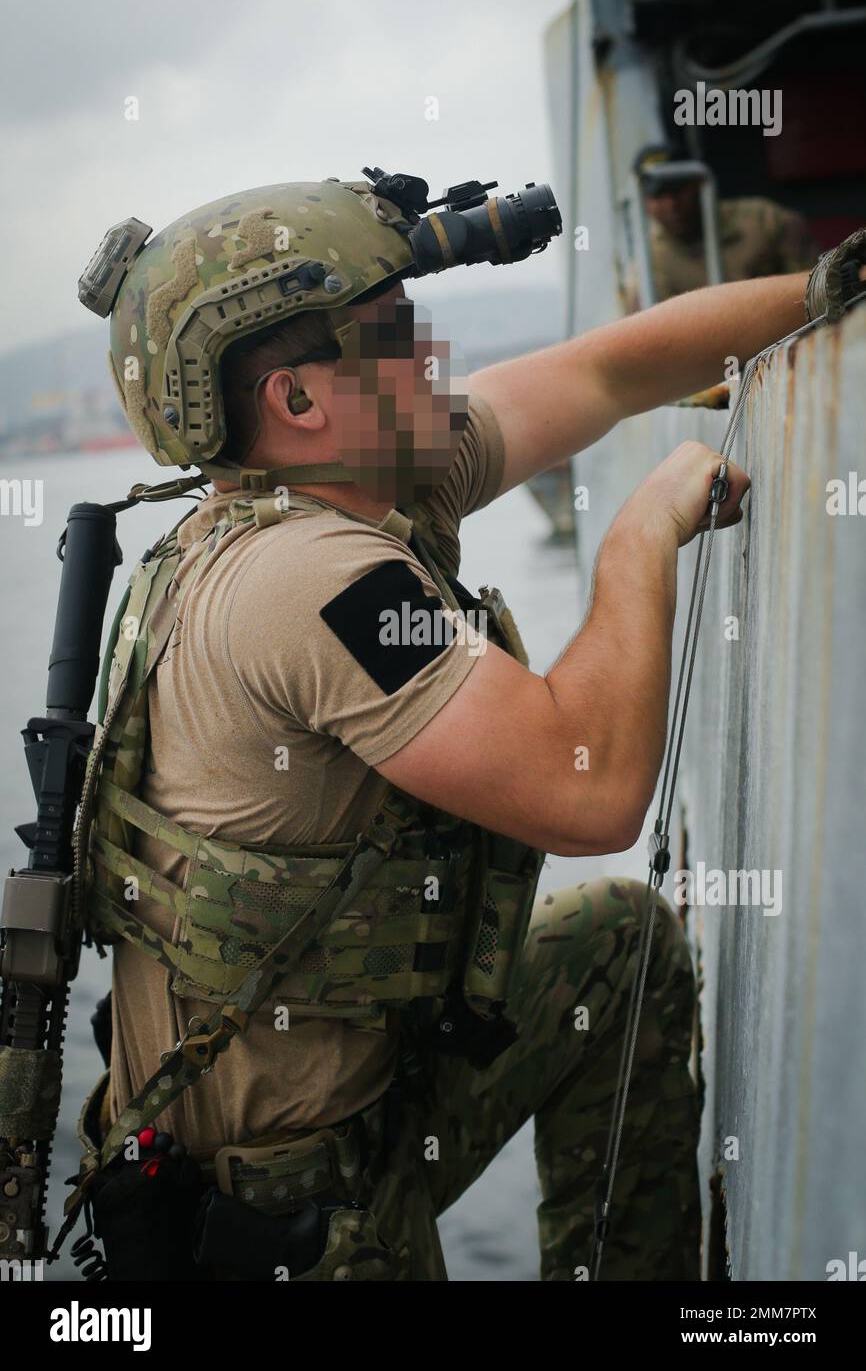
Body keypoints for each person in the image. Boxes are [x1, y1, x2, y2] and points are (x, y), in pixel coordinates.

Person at [68, 174, 863, 1281]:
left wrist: (832, 285)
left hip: (374, 1100)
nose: (431, 351)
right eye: (393, 333)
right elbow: (588, 790)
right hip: (293, 1214)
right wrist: (636, 540)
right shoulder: (308, 582)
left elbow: (607, 370)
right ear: (298, 401)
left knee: (614, 951)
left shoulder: (349, 481)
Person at [631, 143, 820, 305]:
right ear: (644, 202)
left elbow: (817, 294)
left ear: (698, 184)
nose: (671, 204)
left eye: (677, 190)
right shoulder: (650, 264)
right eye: (658, 196)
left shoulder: (764, 220)